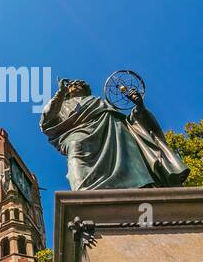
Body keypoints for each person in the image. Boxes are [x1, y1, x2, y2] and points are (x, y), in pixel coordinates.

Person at [39, 78, 189, 190]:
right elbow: (47, 120)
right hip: (77, 136)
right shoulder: (61, 104)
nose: (75, 86)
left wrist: (139, 106)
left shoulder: (97, 101)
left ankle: (138, 185)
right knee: (75, 148)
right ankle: (83, 197)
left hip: (115, 134)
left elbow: (129, 123)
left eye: (79, 84)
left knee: (130, 152)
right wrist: (60, 93)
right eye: (72, 85)